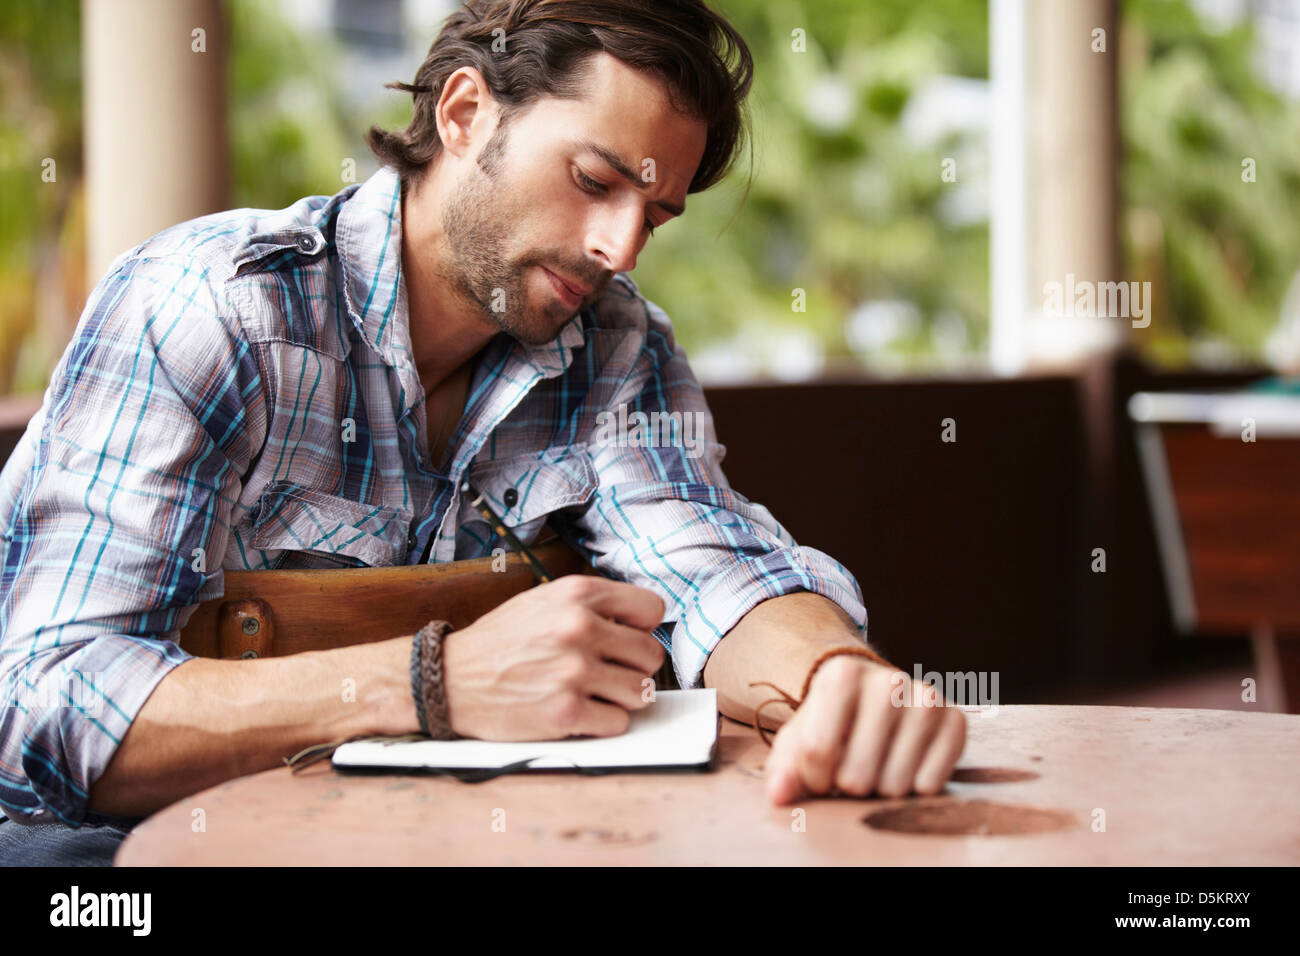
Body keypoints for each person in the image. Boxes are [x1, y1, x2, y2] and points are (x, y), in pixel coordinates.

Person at [0, 0, 965, 865]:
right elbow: (46, 704)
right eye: (595, 180)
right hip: (102, 850)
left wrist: (836, 677)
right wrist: (435, 682)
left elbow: (711, 564)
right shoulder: (209, 308)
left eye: (655, 215)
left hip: (421, 840)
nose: (619, 248)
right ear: (465, 115)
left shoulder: (615, 344)